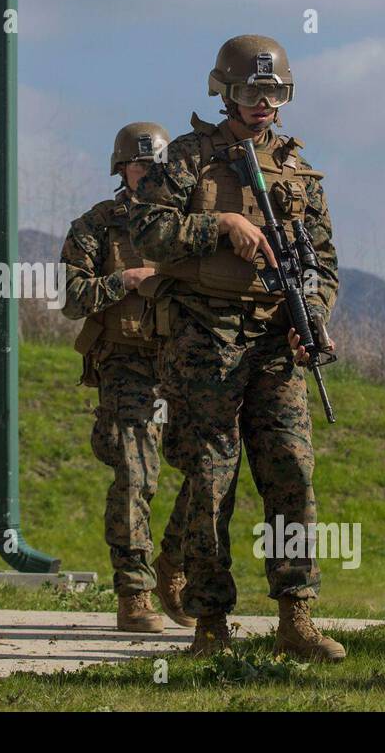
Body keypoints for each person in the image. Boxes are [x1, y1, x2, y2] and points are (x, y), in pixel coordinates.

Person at [128, 35, 345, 661]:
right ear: (225, 91)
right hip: (204, 334)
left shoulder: (299, 169)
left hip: (277, 337)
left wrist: (317, 317)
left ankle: (295, 617)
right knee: (210, 480)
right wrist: (219, 225)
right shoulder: (190, 159)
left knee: (291, 476)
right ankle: (210, 625)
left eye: (274, 93)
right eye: (252, 92)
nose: (264, 104)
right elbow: (146, 231)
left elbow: (324, 262)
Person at [61, 121, 193, 632]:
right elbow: (72, 298)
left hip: (186, 362)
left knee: (210, 468)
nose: (147, 174)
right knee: (136, 475)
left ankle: (174, 567)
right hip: (127, 362)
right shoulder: (97, 225)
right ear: (121, 169)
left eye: (156, 166)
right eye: (138, 165)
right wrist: (125, 280)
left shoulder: (185, 224)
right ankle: (134, 594)